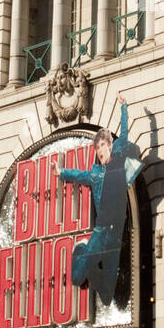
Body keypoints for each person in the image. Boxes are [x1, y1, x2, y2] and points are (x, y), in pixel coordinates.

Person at [58, 95, 143, 306]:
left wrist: (124, 107)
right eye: (97, 148)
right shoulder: (96, 175)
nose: (100, 151)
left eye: (103, 146)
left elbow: (124, 131)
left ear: (110, 145)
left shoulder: (121, 153)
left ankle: (91, 263)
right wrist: (61, 172)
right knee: (77, 277)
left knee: (106, 297)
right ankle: (81, 249)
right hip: (100, 233)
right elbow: (79, 175)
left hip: (115, 237)